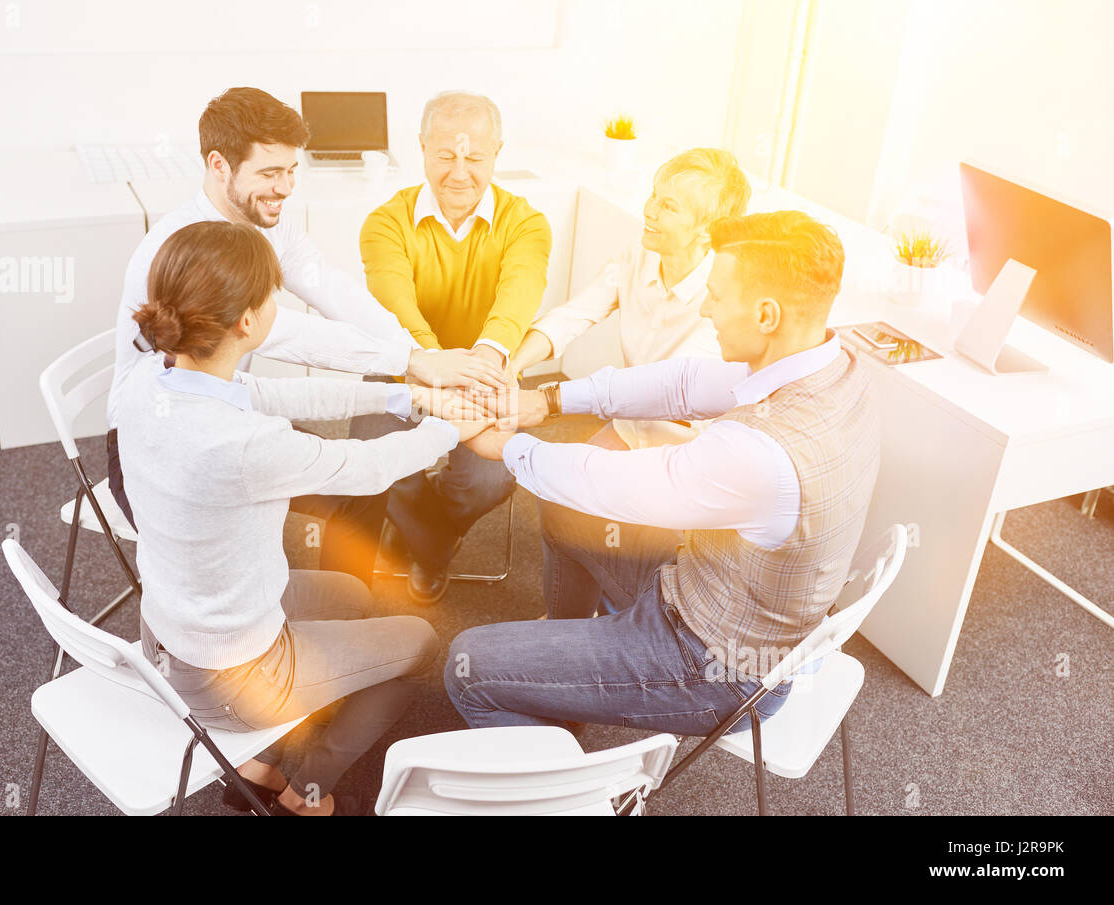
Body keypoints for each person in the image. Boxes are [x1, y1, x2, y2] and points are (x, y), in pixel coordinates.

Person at [445, 210, 882, 737]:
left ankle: (553, 769)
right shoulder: (841, 362)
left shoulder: (760, 453)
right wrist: (548, 399)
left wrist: (507, 447)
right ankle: (560, 684)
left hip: (714, 668)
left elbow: (610, 484)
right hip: (711, 589)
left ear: (767, 315)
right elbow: (684, 385)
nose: (705, 308)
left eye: (717, 297)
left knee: (466, 666)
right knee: (565, 511)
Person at [115, 220, 488, 815]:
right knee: (420, 643)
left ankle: (271, 745)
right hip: (233, 677)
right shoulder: (241, 445)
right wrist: (450, 429)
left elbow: (274, 397)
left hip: (168, 633)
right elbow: (364, 468)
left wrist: (405, 397)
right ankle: (298, 791)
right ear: (246, 322)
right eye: (273, 295)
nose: (277, 303)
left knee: (350, 594)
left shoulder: (147, 381)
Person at [106, 86, 505, 586]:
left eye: (292, 171)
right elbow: (289, 334)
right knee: (343, 478)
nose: (286, 187)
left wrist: (420, 357)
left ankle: (344, 601)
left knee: (358, 486)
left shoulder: (265, 223)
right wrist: (416, 365)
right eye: (270, 173)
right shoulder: (179, 248)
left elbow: (333, 292)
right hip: (155, 445)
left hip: (232, 406)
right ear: (219, 166)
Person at [350, 90, 553, 602]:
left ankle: (421, 532)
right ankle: (434, 543)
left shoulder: (527, 223)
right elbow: (398, 312)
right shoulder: (384, 223)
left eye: (474, 157)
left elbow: (518, 297)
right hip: (403, 366)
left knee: (489, 479)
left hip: (489, 370)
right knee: (373, 457)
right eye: (445, 155)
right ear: (421, 147)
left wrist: (480, 365)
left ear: (497, 154)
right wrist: (436, 374)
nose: (459, 172)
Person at [507, 148, 751, 450]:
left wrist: (548, 401)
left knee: (571, 482)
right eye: (653, 195)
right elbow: (575, 315)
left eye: (669, 207)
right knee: (555, 492)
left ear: (707, 230)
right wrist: (512, 363)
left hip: (687, 446)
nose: (649, 210)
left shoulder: (722, 293)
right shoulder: (638, 252)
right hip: (630, 424)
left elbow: (665, 385)